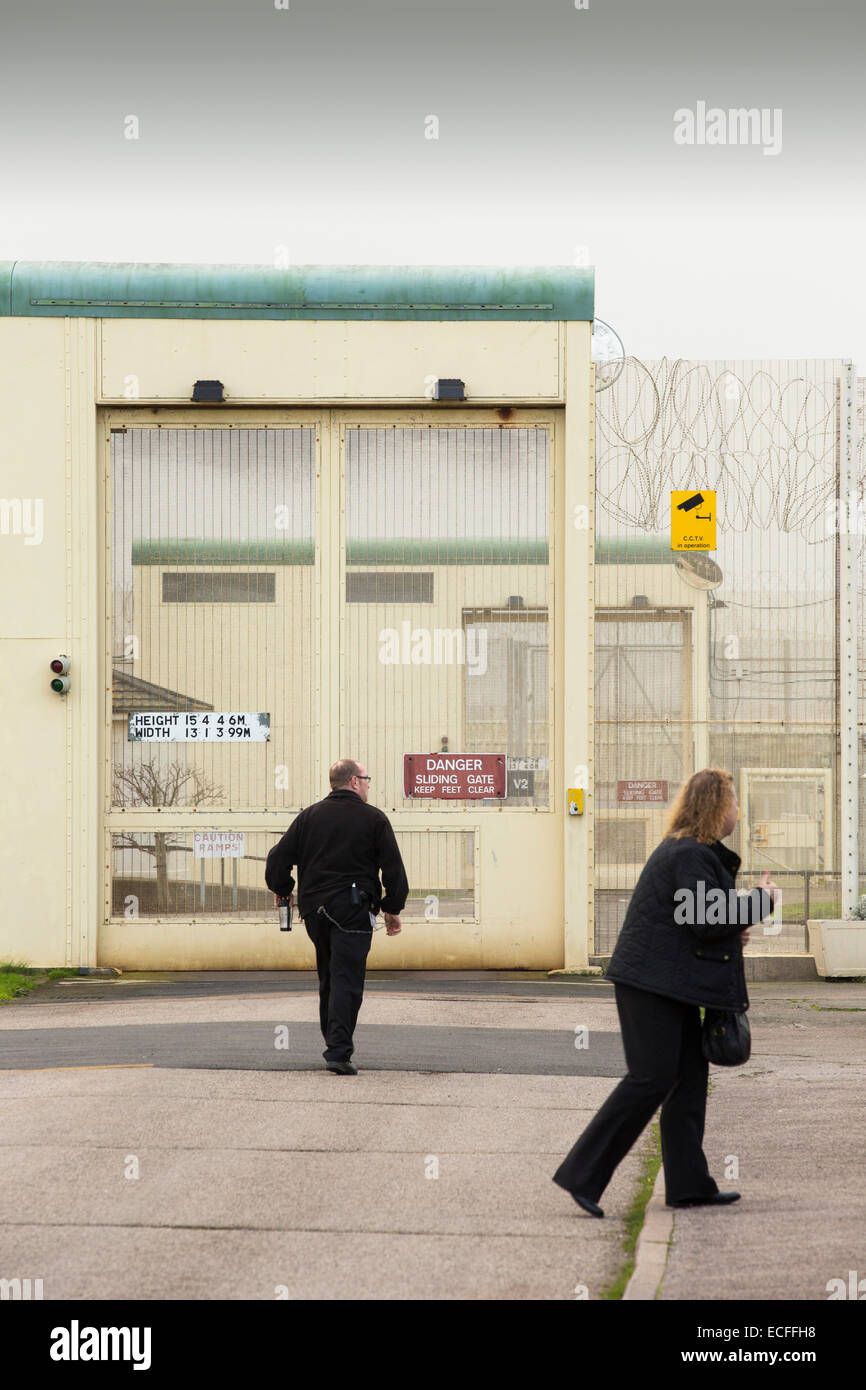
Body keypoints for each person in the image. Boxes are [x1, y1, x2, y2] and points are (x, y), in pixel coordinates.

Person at [553, 766, 777, 1216]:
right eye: (733, 804)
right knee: (651, 1077)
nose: (737, 812)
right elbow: (704, 918)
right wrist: (761, 901)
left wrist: (736, 927)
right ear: (716, 808)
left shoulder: (689, 852)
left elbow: (702, 922)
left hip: (667, 984)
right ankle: (583, 1175)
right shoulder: (688, 854)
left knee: (688, 1081)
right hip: (650, 986)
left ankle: (689, 1185)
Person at [265, 759, 409, 1075]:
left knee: (328, 978)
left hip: (315, 911)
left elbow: (277, 858)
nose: (369, 784)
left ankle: (334, 1043)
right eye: (367, 778)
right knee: (347, 979)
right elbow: (393, 869)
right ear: (354, 781)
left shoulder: (308, 817)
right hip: (353, 909)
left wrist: (284, 888)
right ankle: (338, 1052)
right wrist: (392, 908)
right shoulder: (373, 819)